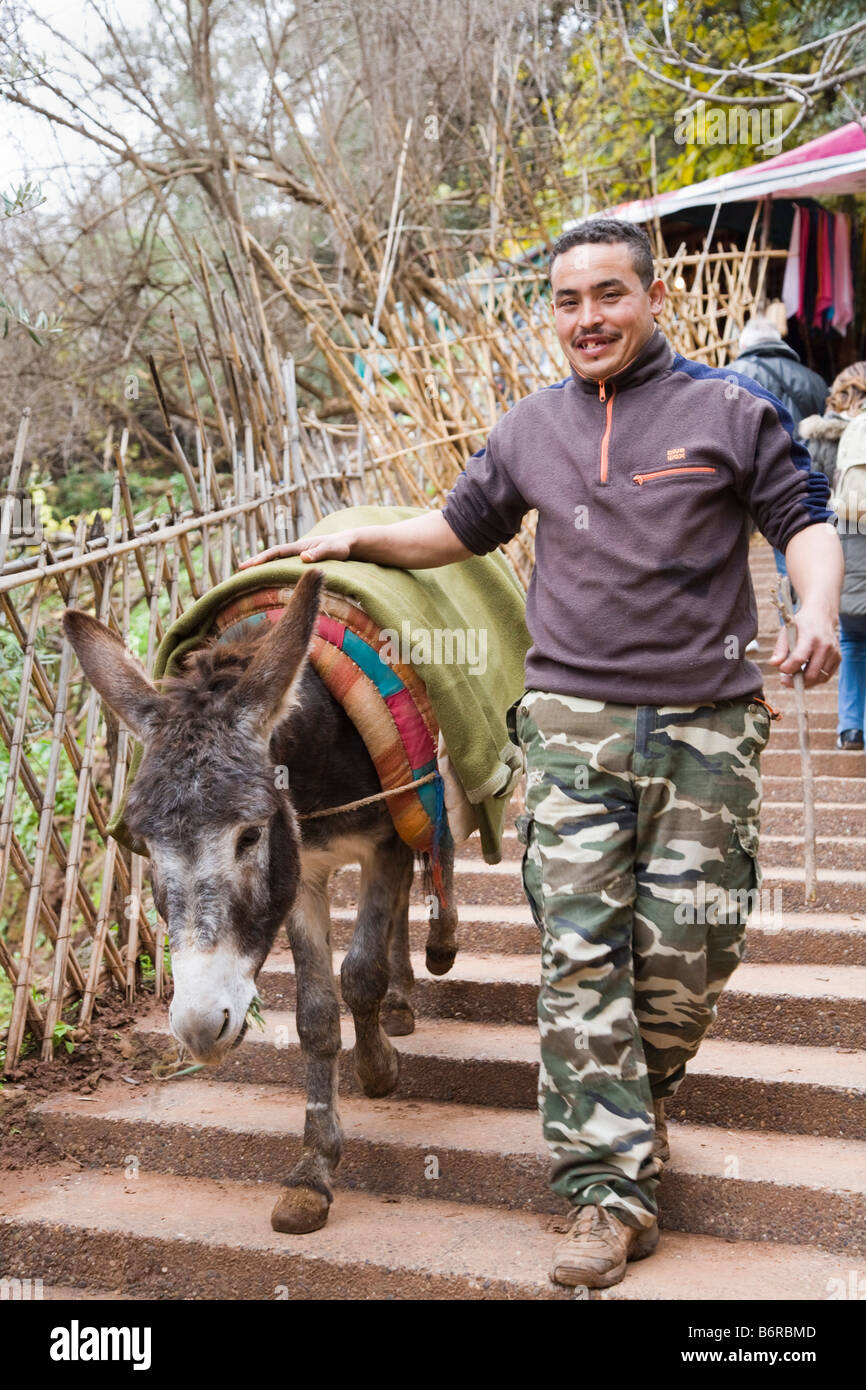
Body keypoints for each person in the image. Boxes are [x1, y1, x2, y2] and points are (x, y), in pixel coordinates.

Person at [241, 217, 842, 1290]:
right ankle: (603, 1192)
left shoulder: (729, 412)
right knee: (576, 961)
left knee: (681, 961)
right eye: (567, 302)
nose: (587, 319)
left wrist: (815, 607)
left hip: (705, 730)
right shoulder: (527, 428)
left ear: (648, 298)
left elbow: (802, 519)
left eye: (607, 295)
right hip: (569, 732)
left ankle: (632, 1106)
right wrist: (351, 539)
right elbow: (455, 528)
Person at [733, 315, 828, 605]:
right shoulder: (812, 379)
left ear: (745, 343)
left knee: (731, 553)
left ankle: (743, 632)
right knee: (791, 545)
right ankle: (798, 622)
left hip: (738, 480)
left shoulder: (725, 377)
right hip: (793, 481)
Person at [799, 363, 866, 750]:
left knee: (855, 644)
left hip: (842, 557)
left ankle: (851, 729)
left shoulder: (821, 440)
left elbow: (807, 505)